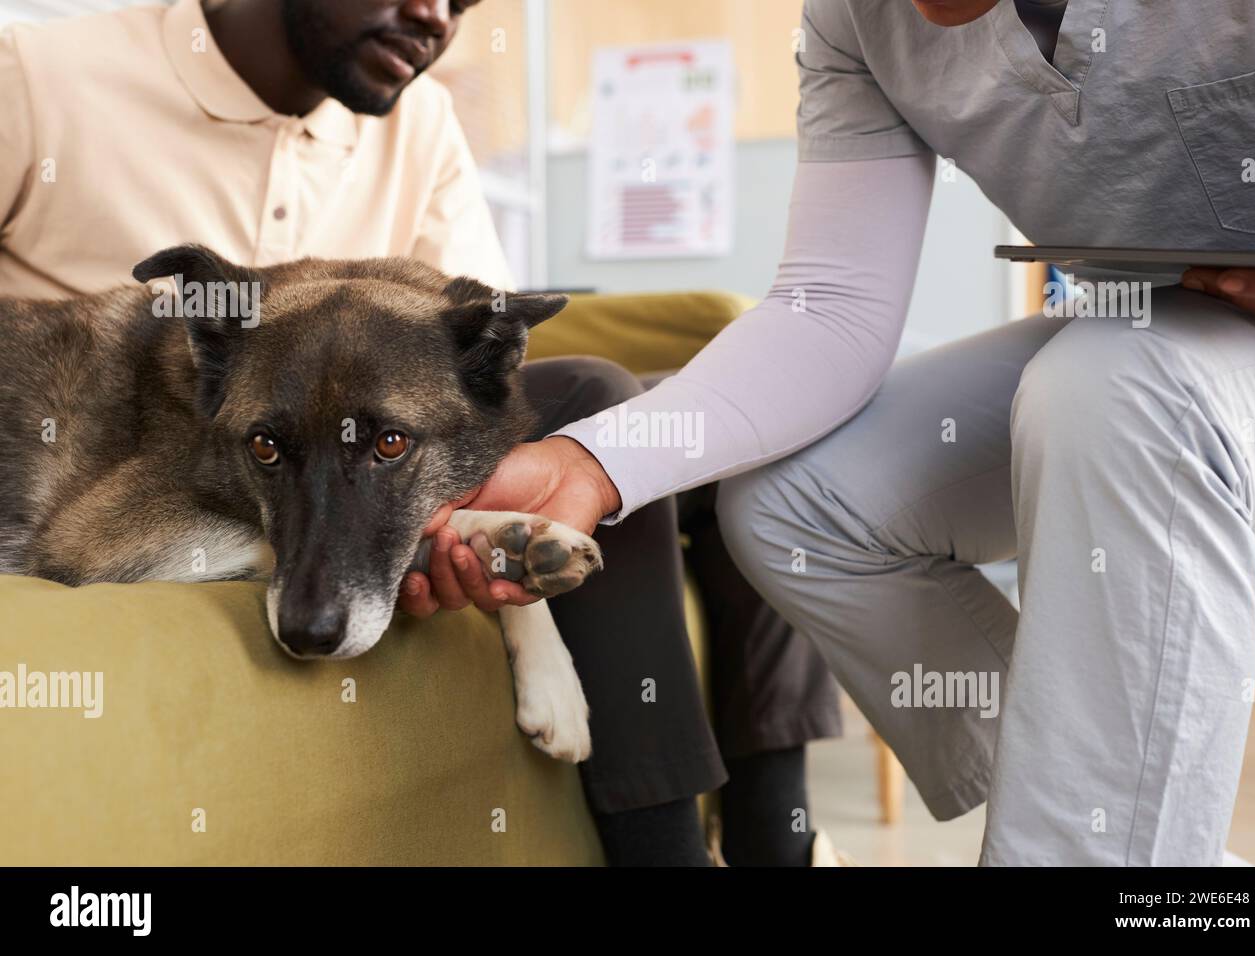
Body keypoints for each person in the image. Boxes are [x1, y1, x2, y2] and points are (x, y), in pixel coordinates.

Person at [452, 0, 1255, 865]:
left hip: (1204, 370)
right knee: (793, 501)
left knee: (1113, 389)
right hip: (1152, 335)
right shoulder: (854, 22)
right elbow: (831, 310)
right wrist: (590, 464)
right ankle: (1135, 854)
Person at [0, 0, 843, 866]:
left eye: (464, 1)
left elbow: (478, 343)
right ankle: (663, 849)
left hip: (383, 427)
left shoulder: (419, 115)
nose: (434, 17)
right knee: (600, 395)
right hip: (188, 429)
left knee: (715, 430)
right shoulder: (40, 74)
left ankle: (779, 839)